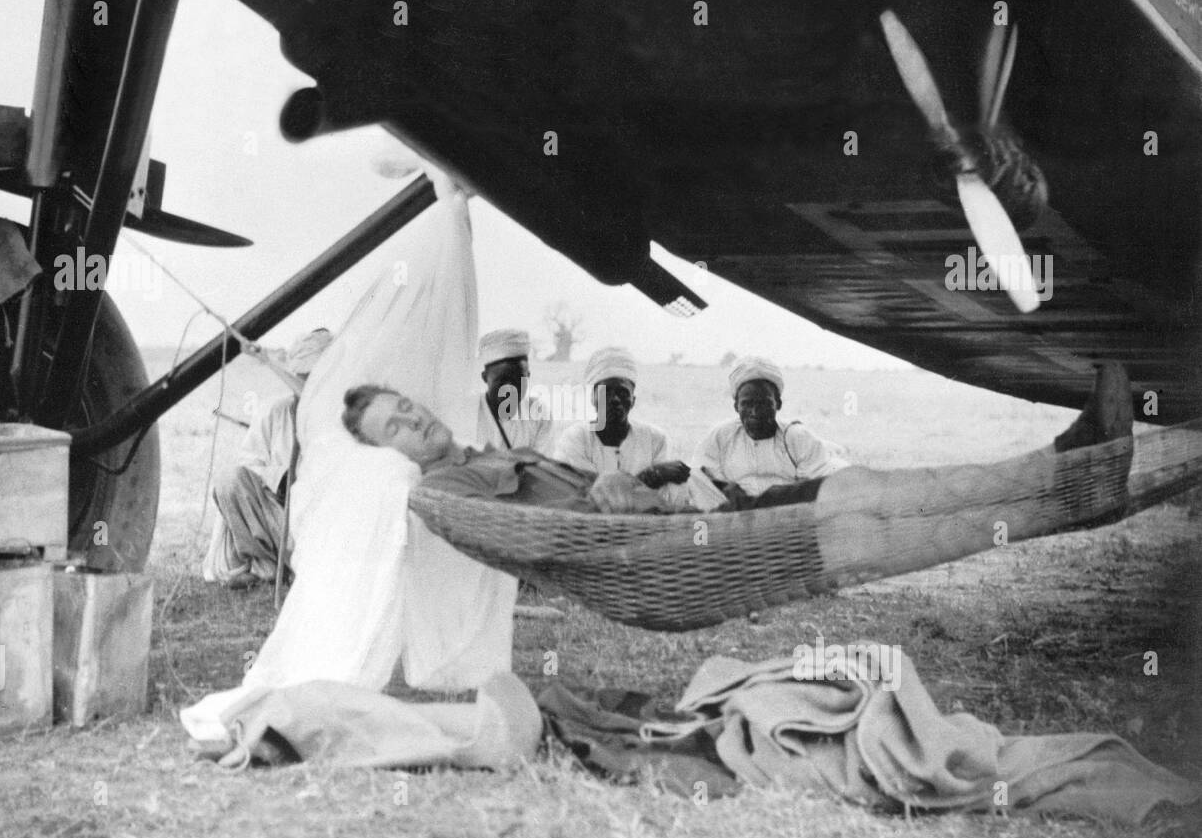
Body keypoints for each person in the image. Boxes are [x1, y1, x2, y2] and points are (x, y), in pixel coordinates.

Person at [340, 362, 1134, 518]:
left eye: (405, 405)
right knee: (872, 499)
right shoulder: (447, 491)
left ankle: (1068, 466)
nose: (415, 419)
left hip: (702, 514)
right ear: (387, 455)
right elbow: (543, 532)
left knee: (873, 492)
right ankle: (1070, 469)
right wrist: (623, 499)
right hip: (687, 533)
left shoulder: (480, 457)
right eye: (396, 427)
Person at [203, 328, 334, 588]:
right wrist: (278, 478)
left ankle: (301, 569)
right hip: (277, 519)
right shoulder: (275, 411)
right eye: (302, 376)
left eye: (315, 376)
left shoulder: (341, 416)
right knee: (229, 479)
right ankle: (268, 567)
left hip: (323, 527)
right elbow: (247, 464)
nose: (308, 383)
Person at [695, 356, 847, 508]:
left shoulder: (796, 436)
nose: (754, 412)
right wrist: (725, 487)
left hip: (788, 516)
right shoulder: (721, 435)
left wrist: (777, 496)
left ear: (778, 404)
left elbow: (826, 478)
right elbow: (700, 472)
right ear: (736, 406)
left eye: (763, 404)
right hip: (735, 516)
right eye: (746, 404)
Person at [553, 347, 690, 497]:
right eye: (606, 392)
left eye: (622, 393)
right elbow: (591, 493)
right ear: (593, 399)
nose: (615, 399)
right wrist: (650, 475)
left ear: (633, 401)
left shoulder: (655, 439)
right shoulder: (575, 438)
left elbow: (666, 492)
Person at [475, 328, 553, 454]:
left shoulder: (538, 414)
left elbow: (542, 467)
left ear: (528, 375)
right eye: (501, 380)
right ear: (485, 378)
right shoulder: (469, 412)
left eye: (517, 379)